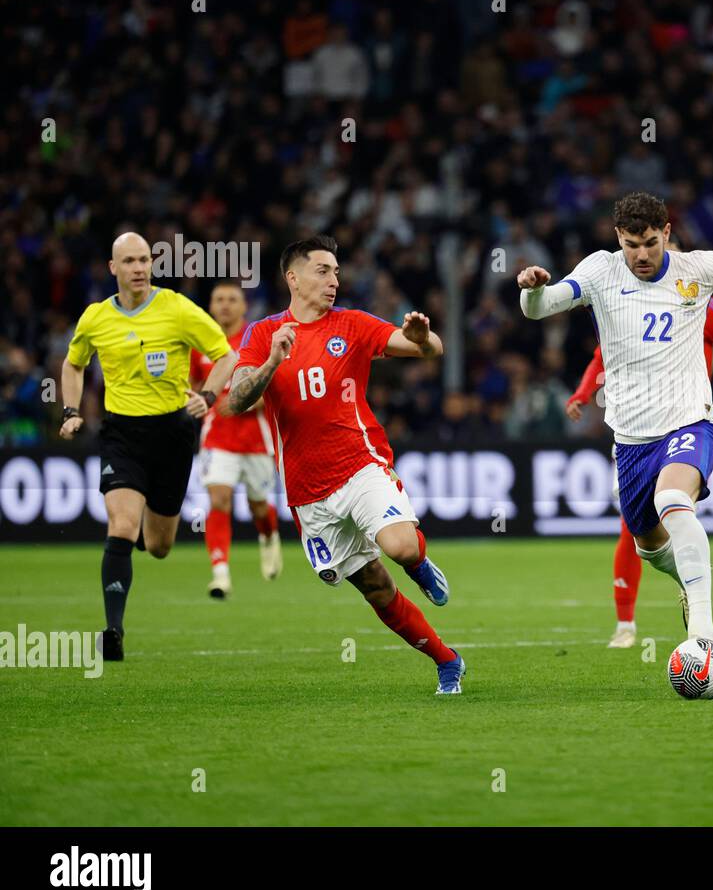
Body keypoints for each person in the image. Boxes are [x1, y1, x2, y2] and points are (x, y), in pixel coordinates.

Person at [519, 192, 713, 644]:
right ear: (618, 238)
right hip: (631, 440)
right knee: (647, 546)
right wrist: (532, 290)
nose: (642, 254)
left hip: (691, 421)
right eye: (632, 244)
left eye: (651, 242)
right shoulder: (599, 270)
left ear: (666, 234)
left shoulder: (697, 268)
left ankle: (704, 637)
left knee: (674, 501)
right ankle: (688, 586)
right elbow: (540, 308)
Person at [225, 235, 465, 694]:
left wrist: (421, 338)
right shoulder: (263, 335)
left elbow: (430, 348)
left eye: (336, 271)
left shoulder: (352, 324)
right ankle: (447, 660)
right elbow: (236, 399)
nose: (334, 280)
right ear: (292, 278)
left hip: (360, 465)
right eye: (323, 271)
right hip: (307, 490)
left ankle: (420, 564)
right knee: (375, 587)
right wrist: (274, 359)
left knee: (400, 547)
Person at [59, 232, 238, 660]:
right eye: (130, 261)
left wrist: (209, 396)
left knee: (158, 546)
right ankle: (113, 631)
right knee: (120, 525)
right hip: (122, 435)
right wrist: (70, 411)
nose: (139, 268)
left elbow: (226, 355)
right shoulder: (96, 318)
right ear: (113, 268)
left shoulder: (176, 308)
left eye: (145, 260)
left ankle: (142, 527)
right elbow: (73, 363)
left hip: (173, 435)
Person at [567, 264, 713, 648]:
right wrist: (583, 393)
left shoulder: (701, 299)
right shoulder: (628, 300)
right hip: (637, 425)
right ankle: (631, 619)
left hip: (686, 419)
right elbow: (604, 355)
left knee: (673, 505)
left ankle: (695, 620)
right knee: (637, 530)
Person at [190, 279, 282, 598]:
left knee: (259, 507)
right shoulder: (200, 343)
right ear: (211, 307)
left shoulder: (256, 339)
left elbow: (272, 385)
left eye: (232, 299)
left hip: (256, 438)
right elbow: (193, 383)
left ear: (244, 306)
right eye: (219, 299)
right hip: (217, 437)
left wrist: (241, 400)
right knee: (219, 501)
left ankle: (269, 536)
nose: (226, 305)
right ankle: (220, 574)